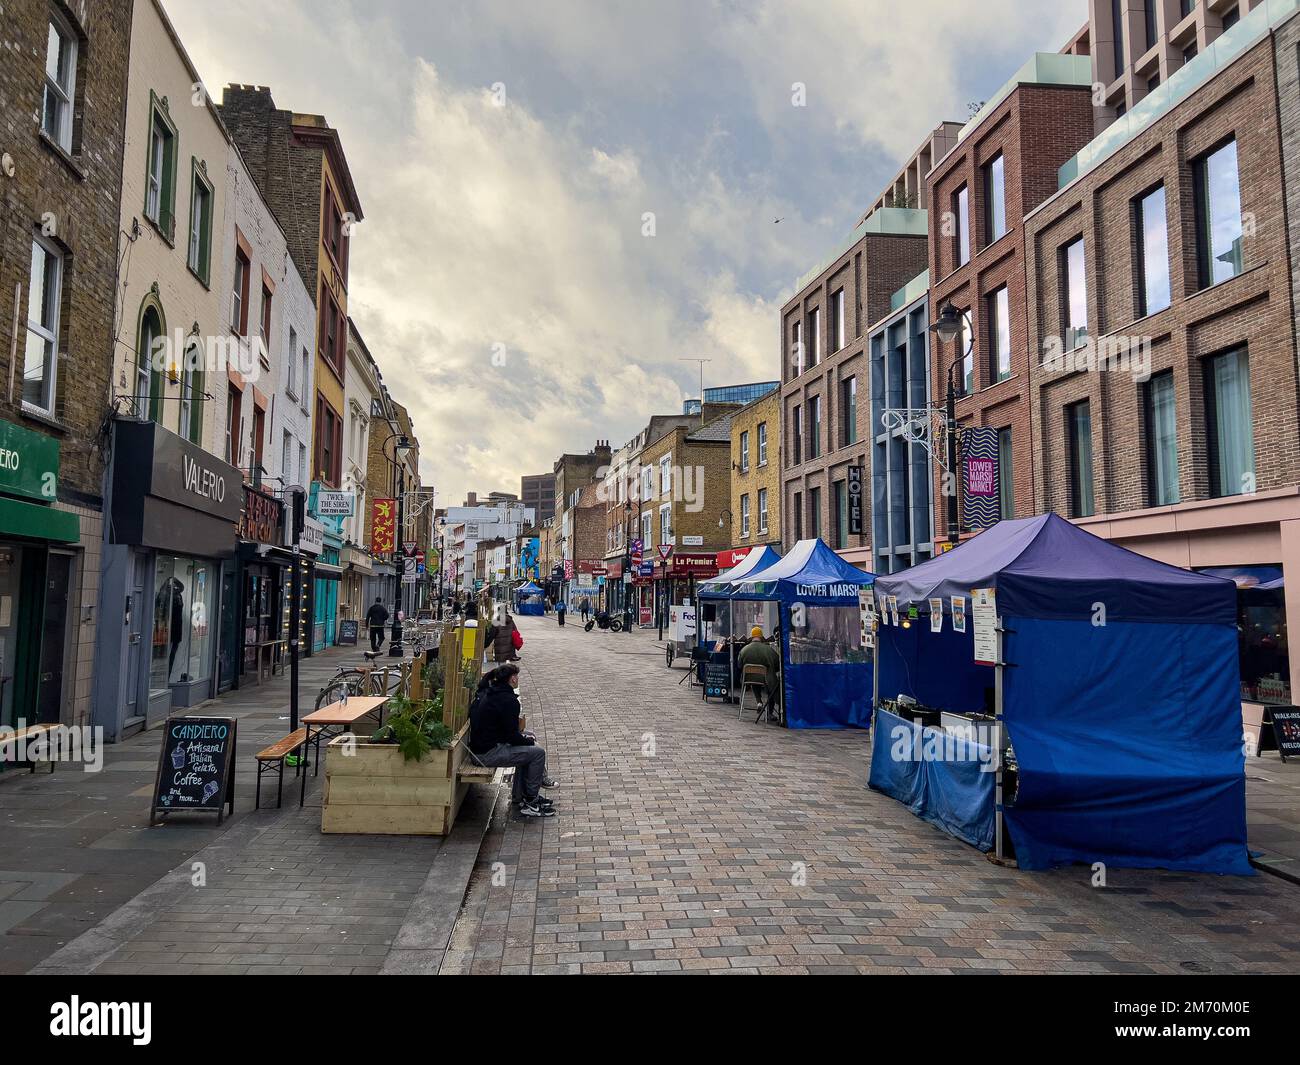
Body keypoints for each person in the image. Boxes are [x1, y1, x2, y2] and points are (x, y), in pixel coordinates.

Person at [469, 665, 556, 817]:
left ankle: (521, 796)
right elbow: (511, 736)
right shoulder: (508, 700)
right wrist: (528, 741)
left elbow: (504, 731)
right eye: (516, 676)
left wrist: (526, 739)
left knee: (529, 743)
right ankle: (531, 802)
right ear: (513, 678)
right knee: (537, 753)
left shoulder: (492, 693)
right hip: (487, 754)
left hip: (482, 747)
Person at [739, 625, 781, 721]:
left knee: (754, 678)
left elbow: (739, 665)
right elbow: (777, 663)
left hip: (748, 679)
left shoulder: (744, 650)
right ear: (761, 637)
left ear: (752, 637)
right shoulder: (768, 649)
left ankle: (759, 702)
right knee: (770, 683)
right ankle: (769, 713)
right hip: (766, 680)